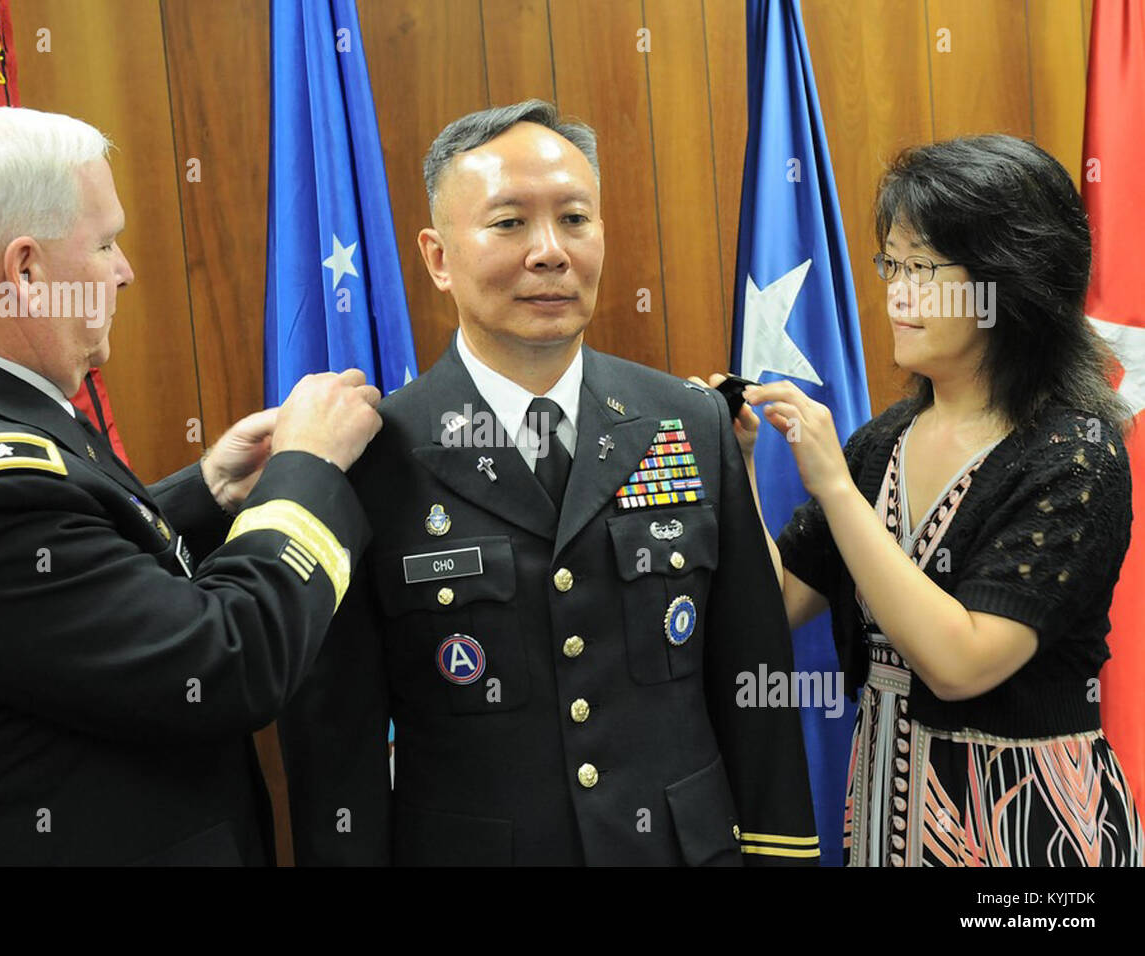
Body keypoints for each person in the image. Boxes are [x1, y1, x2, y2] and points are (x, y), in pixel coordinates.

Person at [278, 100, 818, 866]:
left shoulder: (688, 424)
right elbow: (338, 736)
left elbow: (752, 680)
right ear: (436, 258)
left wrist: (778, 853)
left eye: (574, 219)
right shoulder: (370, 456)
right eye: (508, 224)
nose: (550, 253)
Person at [0, 108, 383, 865]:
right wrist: (309, 469)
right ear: (27, 273)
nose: (124, 269)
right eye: (103, 243)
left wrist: (205, 493)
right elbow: (229, 660)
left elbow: (53, 591)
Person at [707, 135, 1142, 866]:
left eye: (924, 269)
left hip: (1028, 823)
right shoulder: (886, 440)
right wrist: (742, 464)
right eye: (893, 265)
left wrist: (835, 489)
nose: (897, 294)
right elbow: (772, 602)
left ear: (1009, 283)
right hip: (885, 806)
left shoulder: (1075, 454)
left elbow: (960, 661)